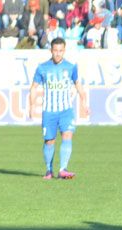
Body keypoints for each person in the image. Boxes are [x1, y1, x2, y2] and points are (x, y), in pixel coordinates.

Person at [27, 37, 88, 180]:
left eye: (61, 51)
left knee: (67, 135)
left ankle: (63, 169)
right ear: (51, 50)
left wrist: (84, 101)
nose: (58, 54)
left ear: (64, 51)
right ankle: (49, 170)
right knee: (49, 141)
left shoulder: (71, 66)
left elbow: (77, 84)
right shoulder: (42, 68)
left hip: (66, 110)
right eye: (55, 51)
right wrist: (32, 105)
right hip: (49, 111)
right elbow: (34, 87)